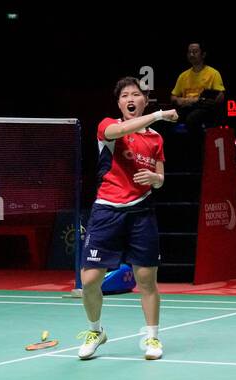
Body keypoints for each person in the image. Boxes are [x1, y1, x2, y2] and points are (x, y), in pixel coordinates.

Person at [76, 77, 177, 361]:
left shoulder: (156, 139)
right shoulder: (108, 127)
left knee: (146, 280)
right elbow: (119, 129)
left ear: (144, 100)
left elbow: (160, 180)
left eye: (136, 94)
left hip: (141, 213)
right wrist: (158, 115)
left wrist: (155, 178)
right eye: (125, 96)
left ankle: (152, 338)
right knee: (90, 279)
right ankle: (96, 331)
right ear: (119, 103)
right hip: (107, 210)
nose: (130, 99)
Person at [170, 42, 226, 130]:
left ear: (203, 55)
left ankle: (198, 143)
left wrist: (209, 100)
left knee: (192, 119)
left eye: (195, 52)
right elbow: (173, 96)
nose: (191, 54)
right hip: (187, 107)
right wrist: (179, 100)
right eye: (189, 52)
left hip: (204, 109)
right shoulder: (183, 76)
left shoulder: (213, 73)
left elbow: (221, 95)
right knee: (167, 119)